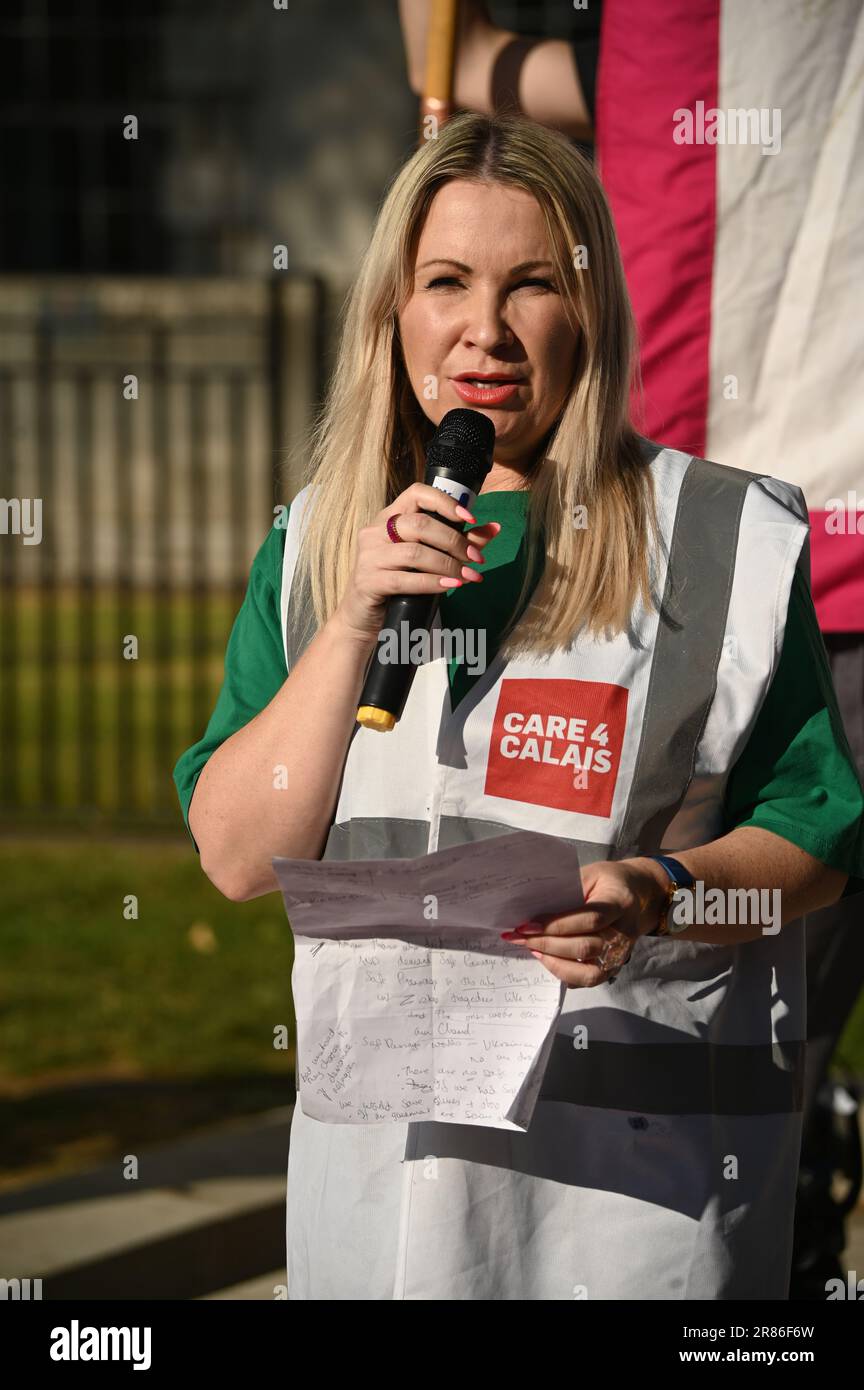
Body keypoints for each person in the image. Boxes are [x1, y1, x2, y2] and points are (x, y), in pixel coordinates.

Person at [173, 111, 864, 1300]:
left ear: (588, 308)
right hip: (378, 1207)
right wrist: (350, 623)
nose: (483, 330)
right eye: (446, 281)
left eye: (532, 283)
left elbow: (819, 843)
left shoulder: (720, 537)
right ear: (394, 308)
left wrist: (660, 896)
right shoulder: (315, 547)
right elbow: (237, 857)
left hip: (630, 1217)